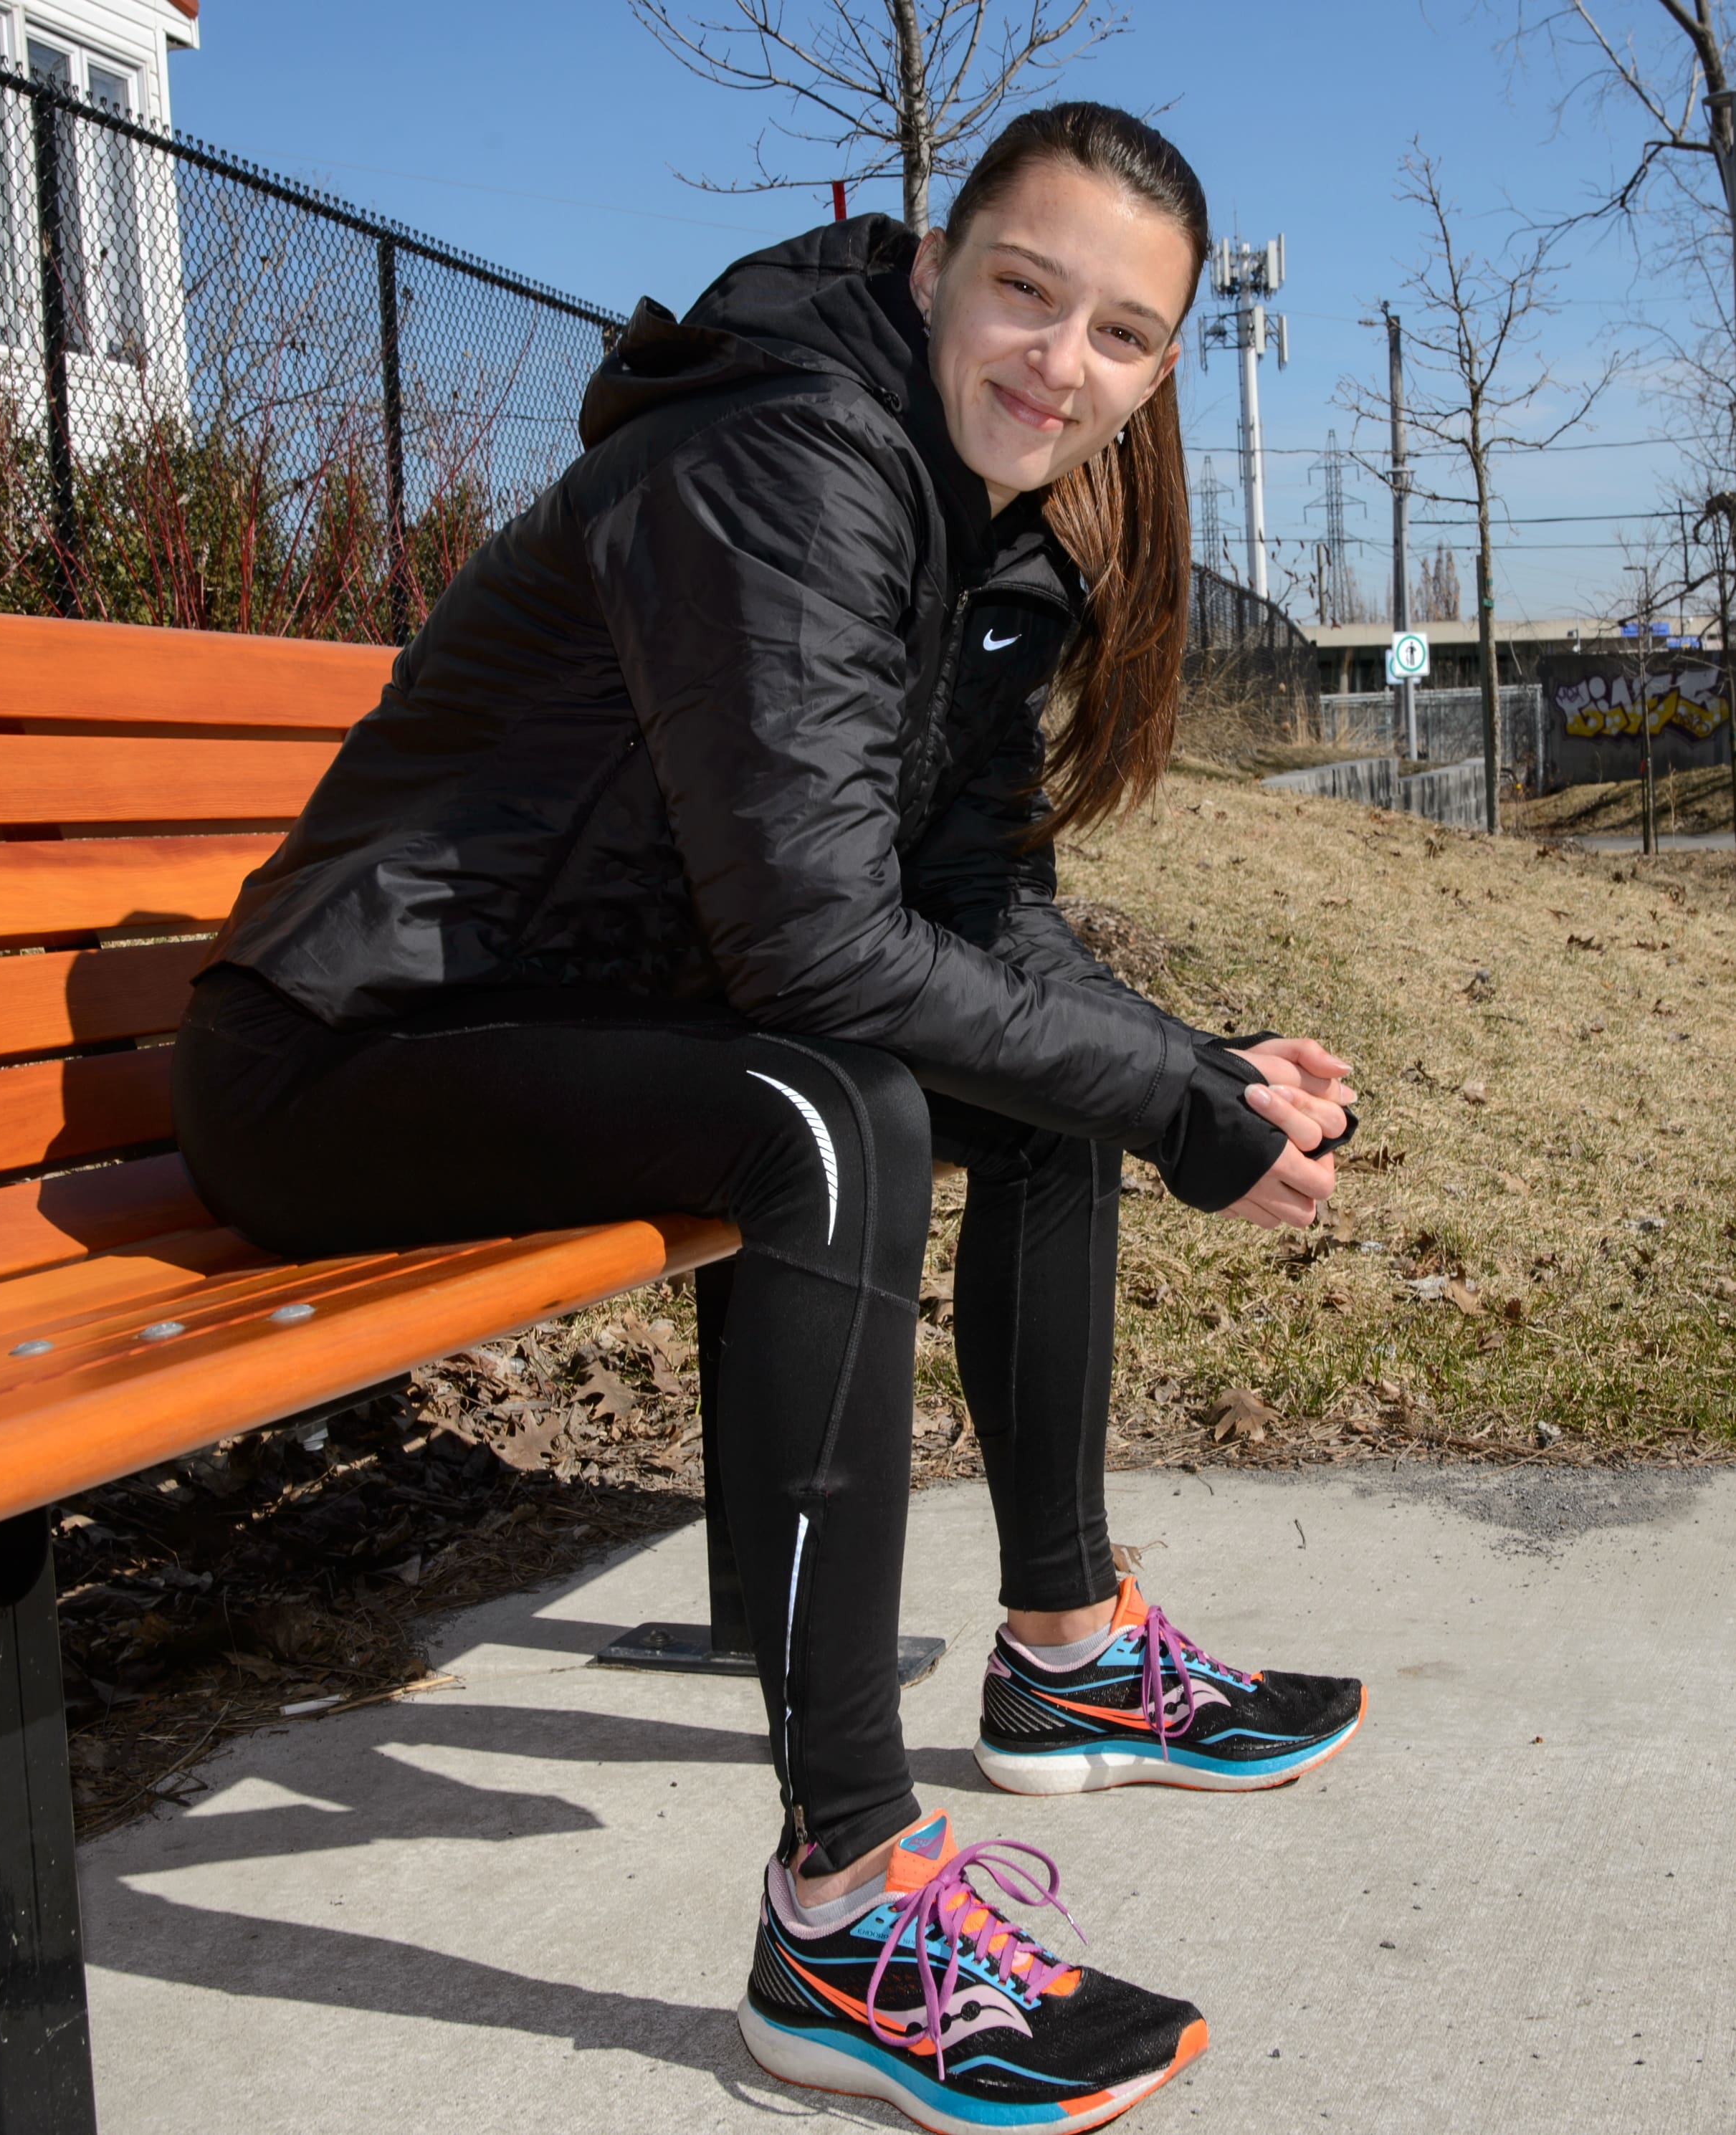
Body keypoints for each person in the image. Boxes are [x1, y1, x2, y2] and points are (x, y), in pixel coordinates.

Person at [176, 101, 1361, 2133]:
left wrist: (1191, 1062)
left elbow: (980, 908)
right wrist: (1172, 1100)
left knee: (1022, 1075)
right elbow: (816, 948)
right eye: (1022, 291)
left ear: (1161, 367)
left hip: (570, 1023)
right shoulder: (783, 457)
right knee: (841, 1116)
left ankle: (1064, 1643)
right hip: (345, 1052)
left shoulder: (976, 518)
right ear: (927, 272)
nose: (1056, 363)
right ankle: (839, 1909)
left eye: (1118, 336)